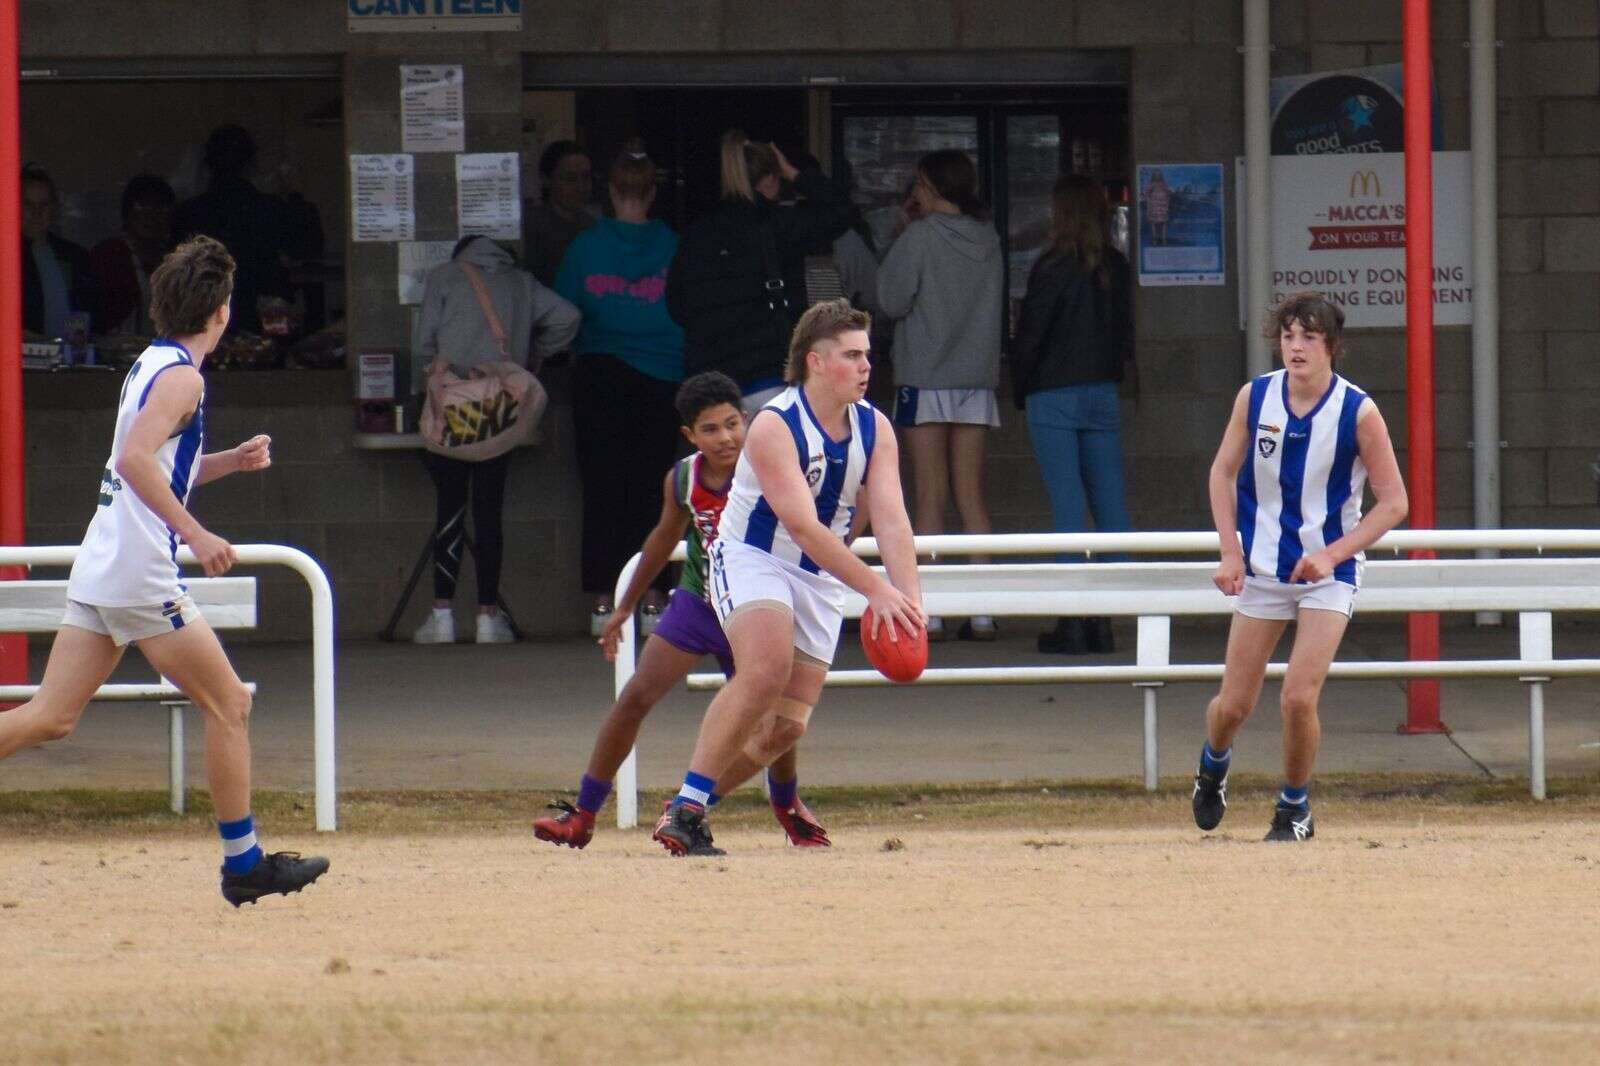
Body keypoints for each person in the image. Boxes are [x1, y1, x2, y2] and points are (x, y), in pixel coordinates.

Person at [0, 236, 329, 906]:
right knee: (229, 702)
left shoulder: (154, 362)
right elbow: (134, 461)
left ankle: (244, 864)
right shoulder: (185, 376)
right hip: (139, 570)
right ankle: (243, 866)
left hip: (108, 560)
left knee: (49, 717)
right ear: (221, 311)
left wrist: (227, 462)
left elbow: (157, 463)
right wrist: (198, 533)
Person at [652, 299, 924, 857]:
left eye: (867, 355)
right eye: (852, 355)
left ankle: (688, 807)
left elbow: (893, 518)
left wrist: (909, 602)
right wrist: (874, 588)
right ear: (816, 362)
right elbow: (800, 525)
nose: (866, 366)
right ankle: (686, 808)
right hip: (754, 555)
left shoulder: (876, 428)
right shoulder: (775, 425)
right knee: (766, 667)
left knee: (785, 731)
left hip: (819, 575)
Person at [533, 372, 830, 850]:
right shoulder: (684, 478)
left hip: (756, 608)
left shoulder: (768, 467)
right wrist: (625, 606)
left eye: (733, 424)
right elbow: (661, 542)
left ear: (748, 421)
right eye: (710, 429)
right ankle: (583, 813)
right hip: (700, 601)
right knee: (635, 697)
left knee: (774, 720)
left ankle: (785, 802)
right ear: (690, 436)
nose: (726, 437)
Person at [1191, 292, 1408, 843]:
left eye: (1309, 337)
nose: (1296, 347)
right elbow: (1222, 474)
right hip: (1263, 569)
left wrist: (1334, 554)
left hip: (1328, 574)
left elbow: (1394, 503)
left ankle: (1294, 806)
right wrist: (1230, 552)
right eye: (1288, 336)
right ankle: (1213, 764)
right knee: (1234, 704)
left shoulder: (1359, 411)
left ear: (1331, 346)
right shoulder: (1255, 397)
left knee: (1297, 696)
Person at [411, 236, 580, 645]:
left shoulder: (444, 277)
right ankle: (488, 616)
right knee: (489, 511)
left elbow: (423, 342)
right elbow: (568, 317)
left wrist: (437, 368)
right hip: (499, 410)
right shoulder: (522, 283)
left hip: (451, 407)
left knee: (450, 509)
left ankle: (443, 616)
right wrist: (534, 356)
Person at [555, 141, 684, 634]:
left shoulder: (586, 247)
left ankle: (605, 604)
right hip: (661, 376)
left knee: (602, 489)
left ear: (610, 191)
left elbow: (564, 313)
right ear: (653, 193)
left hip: (600, 373)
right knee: (657, 495)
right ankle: (653, 601)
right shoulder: (673, 245)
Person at [876, 149, 1004, 643]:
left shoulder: (921, 236)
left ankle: (928, 611)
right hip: (976, 379)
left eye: (920, 187)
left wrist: (900, 234)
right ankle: (984, 611)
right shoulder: (989, 238)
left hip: (925, 378)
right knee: (970, 493)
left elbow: (890, 298)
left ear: (931, 187)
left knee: (929, 494)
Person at [1011, 175, 1135, 656]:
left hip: (1054, 393)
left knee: (1067, 506)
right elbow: (1124, 332)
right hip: (1101, 391)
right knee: (1110, 504)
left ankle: (1071, 618)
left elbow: (1031, 337)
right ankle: (1104, 616)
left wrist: (1022, 388)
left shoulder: (1051, 266)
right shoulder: (1116, 266)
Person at [667, 130, 853, 414]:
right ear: (770, 177)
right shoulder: (781, 226)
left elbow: (676, 307)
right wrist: (795, 174)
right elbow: (844, 211)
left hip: (709, 388)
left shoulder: (696, 235)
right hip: (768, 379)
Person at [172, 125, 322, 335]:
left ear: (207, 164)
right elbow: (307, 247)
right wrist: (296, 196)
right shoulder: (269, 209)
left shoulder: (188, 214)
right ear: (251, 163)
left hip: (204, 320)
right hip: (264, 319)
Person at [90, 174, 177, 335]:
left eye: (161, 210)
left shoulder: (176, 262)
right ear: (127, 212)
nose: (151, 217)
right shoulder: (109, 256)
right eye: (142, 208)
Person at [20, 164, 96, 339]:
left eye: (44, 205)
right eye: (28, 204)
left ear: (53, 208)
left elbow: (91, 313)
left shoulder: (75, 257)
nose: (36, 212)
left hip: (71, 359)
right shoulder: (7, 257)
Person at [524, 140, 596, 288]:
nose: (581, 187)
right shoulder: (531, 227)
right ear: (547, 180)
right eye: (570, 179)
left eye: (586, 177)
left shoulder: (593, 227)